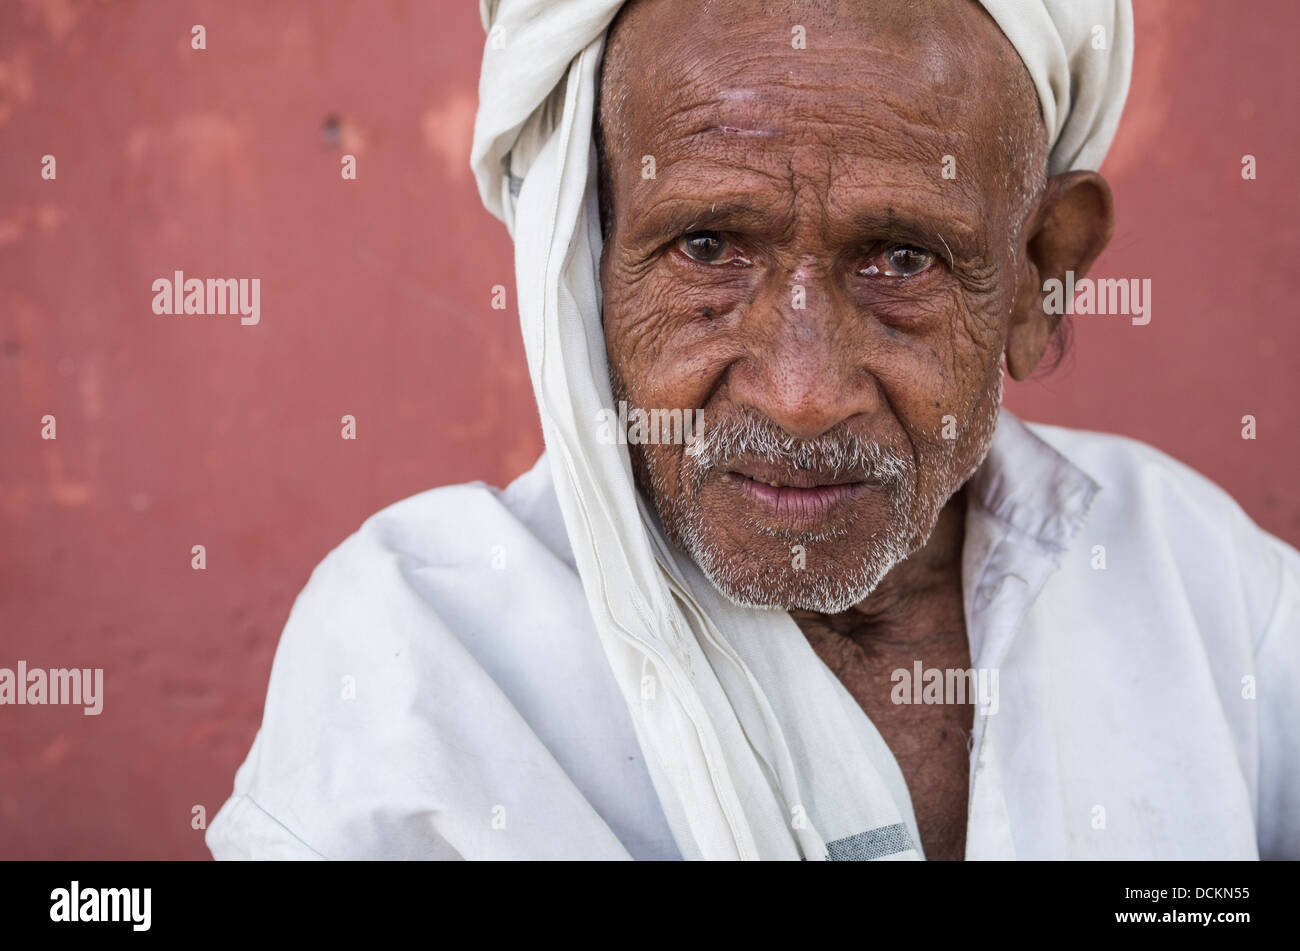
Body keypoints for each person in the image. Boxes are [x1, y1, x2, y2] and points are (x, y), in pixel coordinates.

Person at [207, 0, 1299, 860]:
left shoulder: (1210, 596)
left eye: (902, 259)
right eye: (707, 246)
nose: (800, 393)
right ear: (582, 256)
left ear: (1036, 278)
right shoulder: (415, 659)